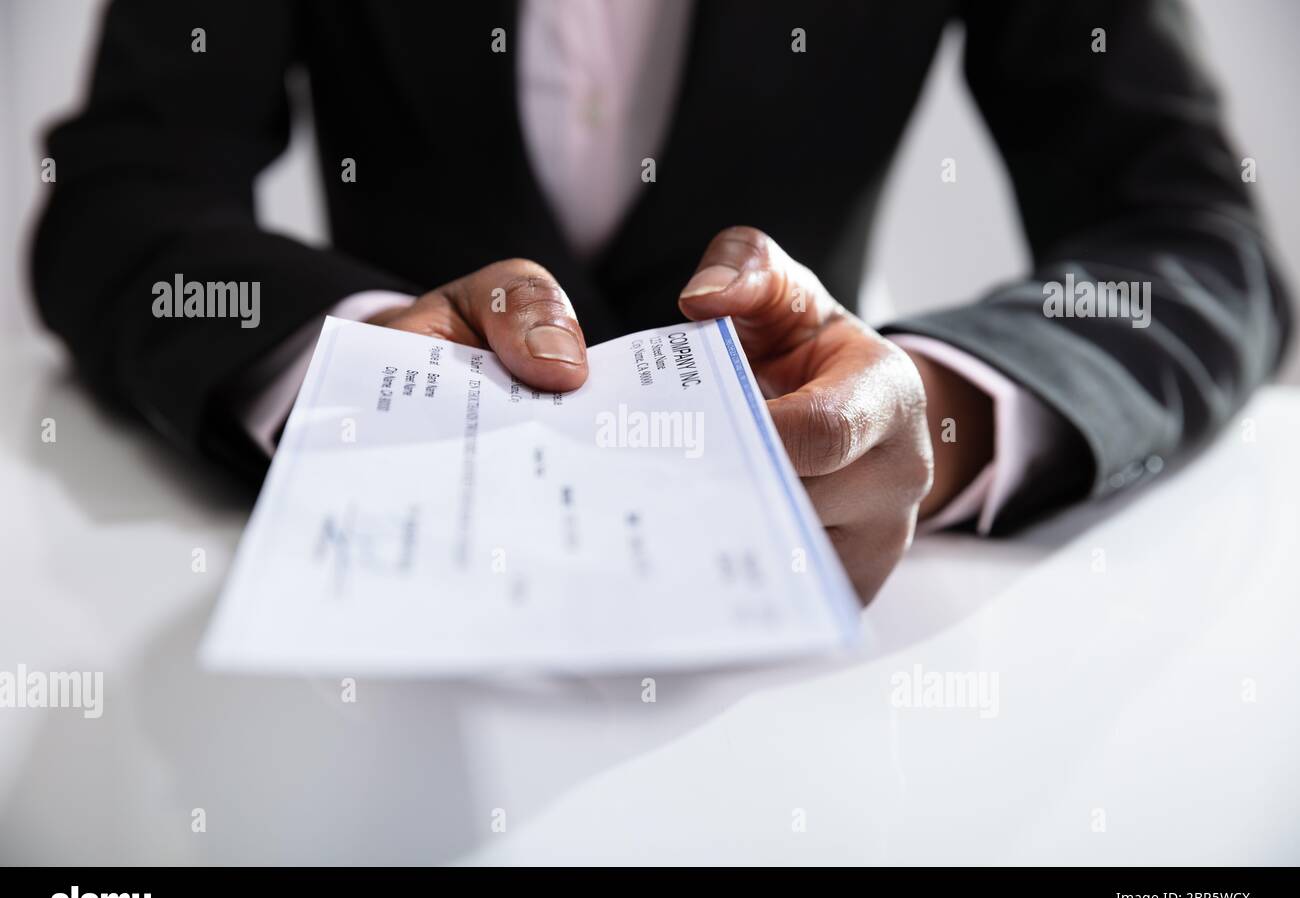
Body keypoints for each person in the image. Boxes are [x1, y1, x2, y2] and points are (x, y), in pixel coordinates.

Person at [32, 1, 1291, 603]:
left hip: (844, 667)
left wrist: (938, 410)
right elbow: (119, 195)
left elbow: (1192, 239)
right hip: (368, 637)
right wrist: (357, 363)